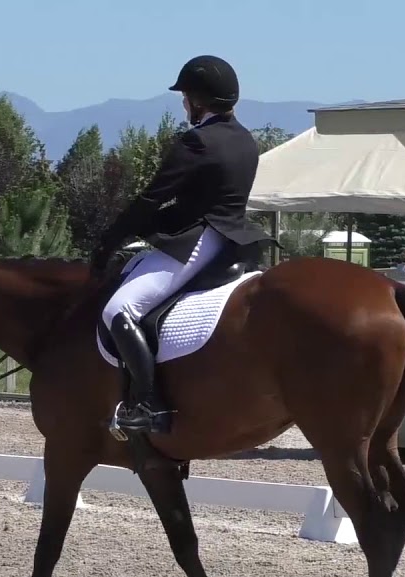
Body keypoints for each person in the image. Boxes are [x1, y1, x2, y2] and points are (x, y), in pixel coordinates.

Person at [88, 54, 270, 435]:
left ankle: (147, 403)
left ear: (198, 100)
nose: (184, 103)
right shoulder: (245, 139)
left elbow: (153, 198)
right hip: (236, 240)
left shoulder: (198, 141)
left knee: (119, 309)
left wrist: (110, 240)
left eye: (186, 96)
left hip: (201, 239)